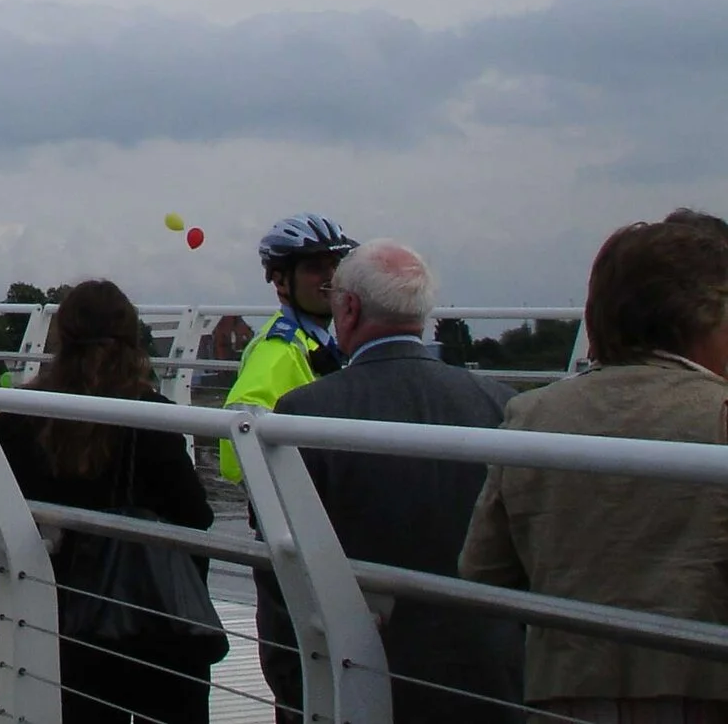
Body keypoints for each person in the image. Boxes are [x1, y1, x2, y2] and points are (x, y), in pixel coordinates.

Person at [462, 219, 728, 723]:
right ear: (709, 314)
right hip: (705, 687)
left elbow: (482, 571)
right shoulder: (719, 414)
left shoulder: (532, 415)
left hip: (561, 691)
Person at [0, 278, 226, 724]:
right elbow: (195, 514)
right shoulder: (150, 414)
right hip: (152, 623)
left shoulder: (24, 414)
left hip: (57, 621)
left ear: (61, 339)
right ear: (132, 339)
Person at [272, 240, 522, 724]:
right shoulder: (500, 403)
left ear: (349, 307)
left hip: (360, 678)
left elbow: (283, 571)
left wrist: (291, 687)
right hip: (489, 678)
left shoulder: (306, 414)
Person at [224, 213, 357, 723]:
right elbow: (237, 447)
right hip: (298, 531)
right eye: (314, 268)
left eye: (336, 265)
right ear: (280, 280)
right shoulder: (281, 350)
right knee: (304, 677)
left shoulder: (328, 342)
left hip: (323, 528)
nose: (329, 278)